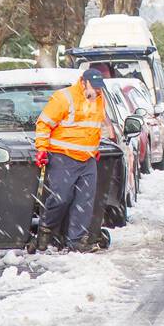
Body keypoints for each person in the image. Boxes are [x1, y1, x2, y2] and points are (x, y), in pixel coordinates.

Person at [34, 68, 107, 252]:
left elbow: (95, 125)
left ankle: (77, 241)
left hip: (88, 159)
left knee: (85, 201)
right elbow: (44, 123)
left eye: (99, 88)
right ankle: (46, 230)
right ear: (83, 82)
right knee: (61, 198)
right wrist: (42, 148)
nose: (97, 91)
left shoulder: (99, 99)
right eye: (94, 87)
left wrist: (95, 147)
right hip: (63, 156)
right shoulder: (64, 98)